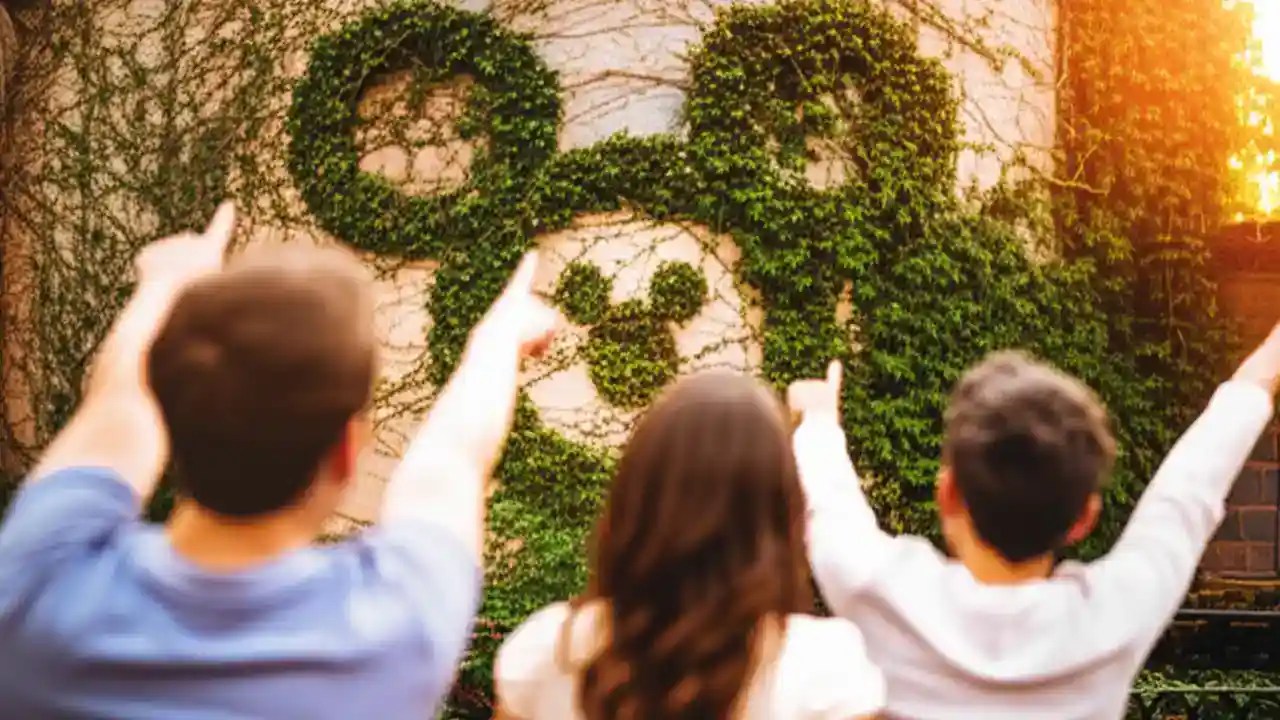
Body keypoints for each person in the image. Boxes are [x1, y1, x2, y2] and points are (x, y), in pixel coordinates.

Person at [0, 203, 559, 719]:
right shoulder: (394, 630)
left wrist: (165, 284)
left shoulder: (32, 585)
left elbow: (114, 411)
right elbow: (451, 462)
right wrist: (499, 339)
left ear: (172, 421)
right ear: (347, 448)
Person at [787, 327, 1280, 719]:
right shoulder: (1116, 615)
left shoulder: (880, 588)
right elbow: (1191, 486)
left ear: (947, 494)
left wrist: (818, 419)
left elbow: (828, 504)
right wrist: (1262, 370)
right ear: (1085, 518)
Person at [494, 372, 886, 720]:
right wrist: (819, 429)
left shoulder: (549, 653)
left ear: (634, 501)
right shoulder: (824, 676)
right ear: (779, 517)